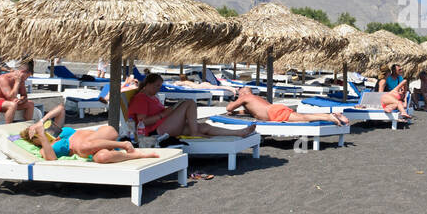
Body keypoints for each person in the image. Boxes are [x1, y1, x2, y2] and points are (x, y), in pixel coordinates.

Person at [129, 74, 257, 138]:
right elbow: (142, 122)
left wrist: (170, 112)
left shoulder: (152, 97)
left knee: (205, 126)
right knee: (189, 102)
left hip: (164, 125)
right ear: (148, 85)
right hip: (154, 132)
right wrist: (163, 114)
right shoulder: (141, 98)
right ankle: (195, 133)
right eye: (157, 86)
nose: (158, 89)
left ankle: (239, 132)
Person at [23, 110, 162, 163]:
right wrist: (41, 136)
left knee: (84, 146)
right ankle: (136, 154)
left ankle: (124, 144)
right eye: (36, 131)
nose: (41, 129)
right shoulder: (47, 148)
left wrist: (42, 121)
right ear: (35, 139)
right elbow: (51, 159)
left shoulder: (57, 131)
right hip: (93, 150)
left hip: (103, 134)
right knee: (102, 157)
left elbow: (60, 108)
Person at [225, 86, 348, 126]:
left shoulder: (244, 97)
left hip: (274, 113)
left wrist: (233, 101)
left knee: (303, 118)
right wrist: (236, 113)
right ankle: (329, 115)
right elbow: (252, 112)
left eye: (239, 91)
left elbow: (229, 108)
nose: (238, 92)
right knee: (302, 116)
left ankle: (329, 117)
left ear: (243, 92)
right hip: (275, 109)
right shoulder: (254, 99)